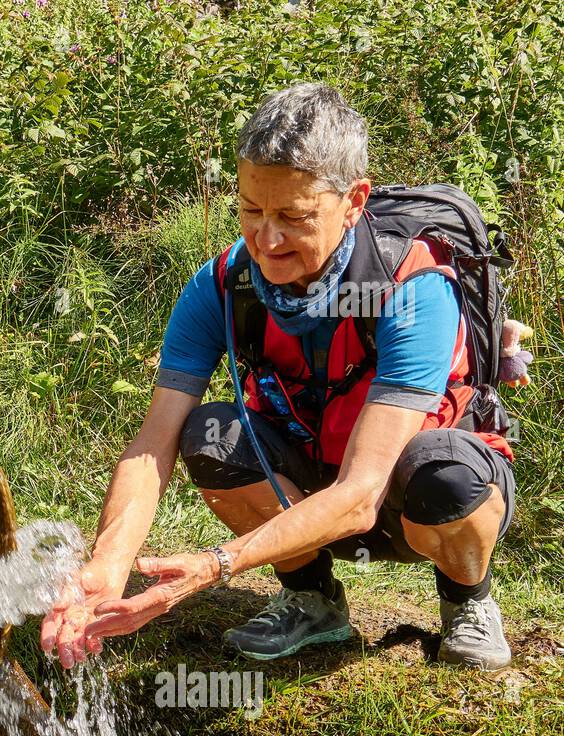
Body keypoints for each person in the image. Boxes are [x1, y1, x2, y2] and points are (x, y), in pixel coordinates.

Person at [41, 82, 516, 671]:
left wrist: (214, 566)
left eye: (294, 216)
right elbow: (150, 447)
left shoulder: (411, 291)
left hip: (401, 494)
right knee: (210, 434)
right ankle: (311, 599)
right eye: (251, 210)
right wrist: (107, 565)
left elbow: (362, 495)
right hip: (313, 486)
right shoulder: (221, 286)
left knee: (443, 474)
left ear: (354, 200)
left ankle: (467, 600)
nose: (267, 240)